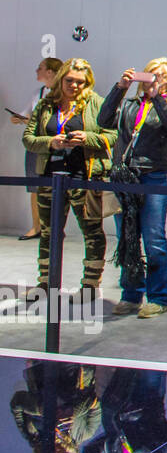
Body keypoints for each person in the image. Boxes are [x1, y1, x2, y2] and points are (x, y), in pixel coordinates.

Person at [99, 59, 167, 318]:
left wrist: (158, 98)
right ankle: (131, 294)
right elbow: (103, 119)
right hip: (125, 177)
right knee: (127, 236)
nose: (155, 78)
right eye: (152, 74)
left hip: (155, 176)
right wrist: (120, 88)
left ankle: (159, 296)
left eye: (161, 76)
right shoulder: (129, 105)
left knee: (154, 237)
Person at [22, 58, 116, 302]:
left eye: (80, 82)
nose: (74, 86)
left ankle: (90, 285)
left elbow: (112, 135)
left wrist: (87, 138)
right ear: (61, 78)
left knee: (92, 231)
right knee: (49, 232)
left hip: (86, 176)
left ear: (88, 82)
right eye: (70, 80)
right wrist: (51, 142)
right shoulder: (46, 104)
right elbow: (28, 139)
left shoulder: (96, 103)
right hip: (50, 177)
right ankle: (45, 283)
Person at [13, 57, 62, 240]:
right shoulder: (39, 93)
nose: (36, 71)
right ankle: (37, 226)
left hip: (56, 147)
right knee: (34, 187)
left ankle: (54, 227)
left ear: (50, 71)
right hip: (37, 146)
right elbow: (27, 116)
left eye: (40, 68)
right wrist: (21, 119)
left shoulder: (62, 93)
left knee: (57, 188)